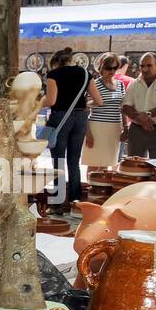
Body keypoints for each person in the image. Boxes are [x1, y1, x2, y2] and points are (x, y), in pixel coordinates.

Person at [41, 47, 102, 204]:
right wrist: (83, 104)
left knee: (58, 160)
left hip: (60, 117)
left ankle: (59, 202)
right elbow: (99, 101)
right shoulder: (84, 73)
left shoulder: (54, 74)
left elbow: (51, 100)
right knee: (74, 160)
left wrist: (33, 105)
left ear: (55, 63)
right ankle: (75, 200)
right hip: (81, 118)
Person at [122, 52, 156, 162]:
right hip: (137, 130)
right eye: (142, 66)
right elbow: (126, 106)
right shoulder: (134, 83)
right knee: (134, 165)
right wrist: (140, 120)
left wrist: (147, 114)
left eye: (149, 65)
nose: (145, 69)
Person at [85, 53, 126, 169]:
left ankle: (102, 187)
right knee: (94, 162)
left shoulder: (120, 85)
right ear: (101, 67)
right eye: (109, 68)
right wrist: (88, 133)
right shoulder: (94, 84)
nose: (112, 71)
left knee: (108, 162)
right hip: (97, 127)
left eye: (115, 68)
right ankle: (92, 187)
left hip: (115, 127)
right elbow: (85, 109)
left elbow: (123, 108)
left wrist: (125, 128)